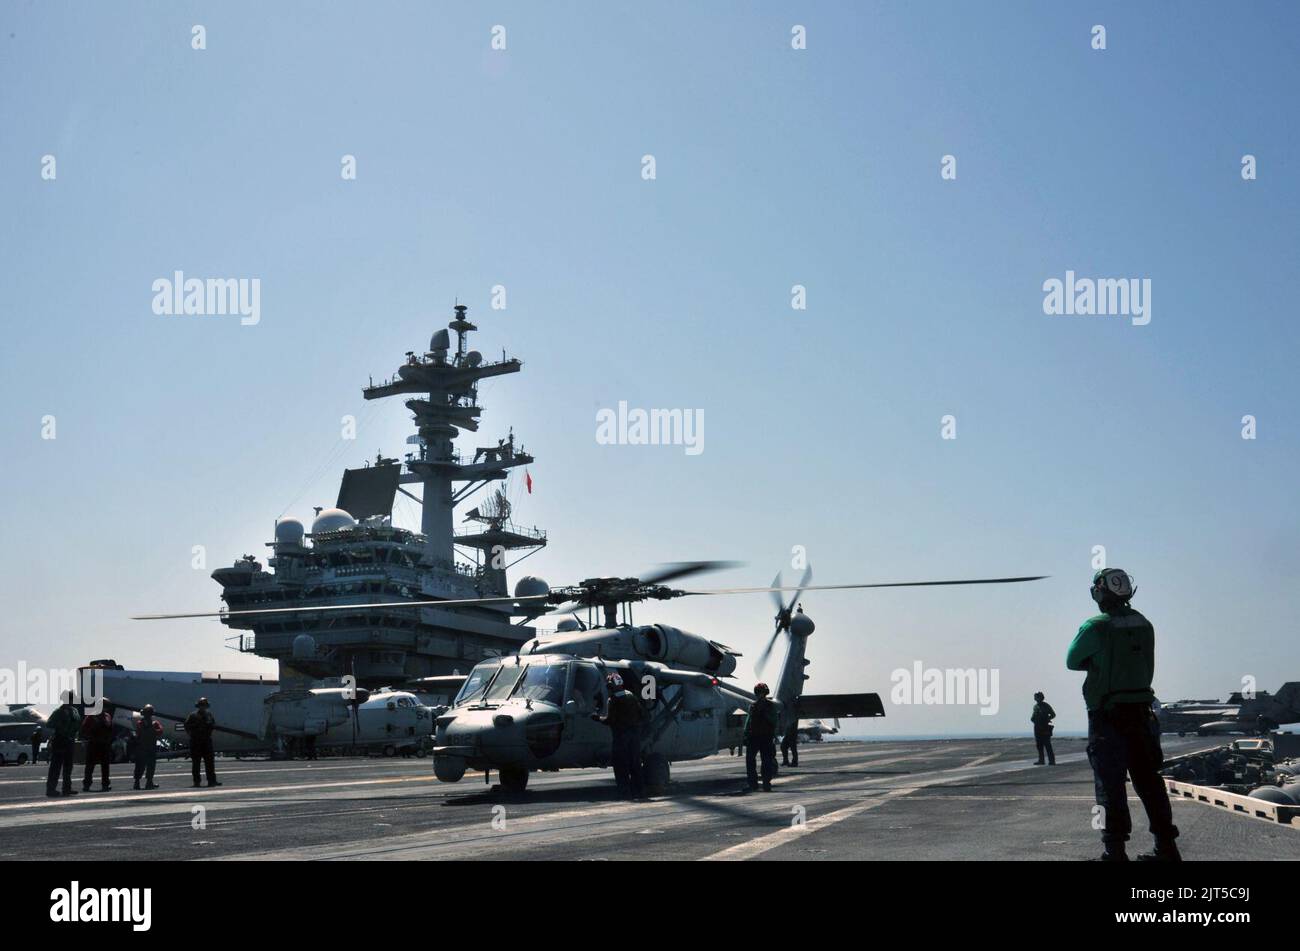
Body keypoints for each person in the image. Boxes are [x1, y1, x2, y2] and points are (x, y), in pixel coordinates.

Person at [1067, 568, 1181, 862]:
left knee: (1110, 784)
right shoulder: (1145, 623)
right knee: (1149, 781)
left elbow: (1072, 660)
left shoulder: (1095, 626)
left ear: (1100, 592)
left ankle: (1114, 852)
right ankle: (1167, 848)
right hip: (1142, 714)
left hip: (1108, 716)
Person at [595, 672, 644, 798]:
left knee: (621, 765)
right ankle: (639, 791)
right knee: (635, 764)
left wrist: (597, 718)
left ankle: (624, 792)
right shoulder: (631, 696)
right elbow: (641, 714)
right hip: (634, 736)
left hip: (621, 737)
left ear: (612, 686)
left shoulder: (613, 700)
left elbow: (610, 720)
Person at [744, 683, 779, 791]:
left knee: (766, 761)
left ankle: (766, 783)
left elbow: (774, 721)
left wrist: (765, 714)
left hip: (765, 737)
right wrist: (745, 734)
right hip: (755, 737)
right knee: (750, 761)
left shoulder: (770, 706)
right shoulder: (753, 706)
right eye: (759, 693)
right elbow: (748, 721)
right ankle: (753, 784)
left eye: (761, 693)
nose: (760, 695)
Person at [45, 692, 80, 797]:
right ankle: (51, 789)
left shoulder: (75, 711)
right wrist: (61, 724)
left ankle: (67, 788)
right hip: (60, 740)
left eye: (71, 699)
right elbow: (49, 723)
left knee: (68, 766)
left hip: (70, 740)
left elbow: (78, 723)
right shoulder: (58, 712)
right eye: (69, 699)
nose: (71, 701)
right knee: (56, 766)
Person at [184, 697, 221, 787]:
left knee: (210, 763)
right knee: (196, 763)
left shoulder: (209, 715)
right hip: (196, 742)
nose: (203, 707)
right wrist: (193, 734)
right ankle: (197, 781)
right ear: (199, 706)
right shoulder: (193, 715)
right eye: (201, 705)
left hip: (206, 741)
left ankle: (211, 780)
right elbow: (186, 726)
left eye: (204, 705)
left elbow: (213, 725)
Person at [80, 707, 114, 791]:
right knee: (90, 766)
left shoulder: (107, 716)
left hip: (104, 744)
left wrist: (109, 739)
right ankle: (87, 784)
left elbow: (111, 728)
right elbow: (84, 729)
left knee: (105, 766)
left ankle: (105, 784)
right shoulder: (91, 716)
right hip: (94, 744)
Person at [133, 705, 163, 790]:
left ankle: (148, 782)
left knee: (150, 765)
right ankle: (138, 782)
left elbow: (160, 731)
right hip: (144, 747)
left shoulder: (153, 723)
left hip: (148, 747)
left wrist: (152, 730)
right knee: (141, 765)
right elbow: (140, 732)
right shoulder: (141, 723)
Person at [1031, 692, 1056, 765]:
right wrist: (1034, 720)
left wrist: (1047, 718)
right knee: (1039, 745)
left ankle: (1052, 761)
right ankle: (1041, 760)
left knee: (1047, 744)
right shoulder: (1035, 706)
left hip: (1045, 726)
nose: (1036, 699)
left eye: (1037, 697)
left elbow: (1053, 714)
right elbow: (1033, 717)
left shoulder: (1046, 706)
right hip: (1037, 727)